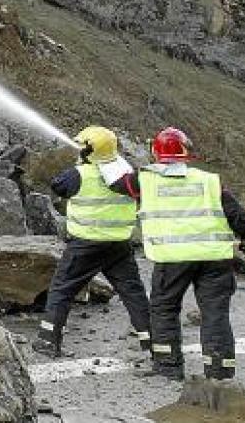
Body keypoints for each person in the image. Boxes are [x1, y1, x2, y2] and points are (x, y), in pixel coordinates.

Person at [138, 127, 245, 381]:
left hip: (172, 259)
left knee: (164, 309)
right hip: (215, 259)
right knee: (215, 313)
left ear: (156, 153)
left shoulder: (145, 180)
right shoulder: (209, 181)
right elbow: (238, 215)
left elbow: (117, 183)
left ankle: (168, 368)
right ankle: (219, 371)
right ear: (185, 152)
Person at [33, 126, 152, 358]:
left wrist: (79, 168)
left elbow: (58, 185)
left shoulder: (79, 175)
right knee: (133, 293)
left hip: (85, 245)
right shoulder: (125, 172)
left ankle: (48, 341)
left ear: (88, 150)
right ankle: (152, 342)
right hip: (119, 245)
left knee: (61, 289)